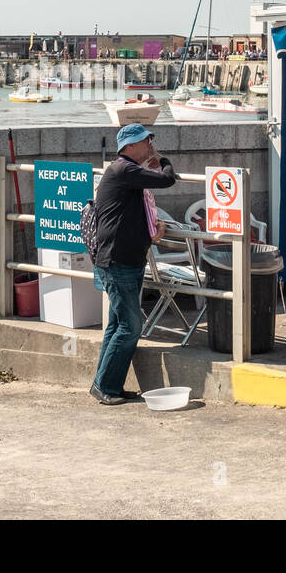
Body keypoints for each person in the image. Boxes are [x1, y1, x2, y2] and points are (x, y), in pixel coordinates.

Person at [88, 124, 177, 405]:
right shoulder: (123, 170)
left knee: (118, 324)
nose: (150, 143)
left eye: (150, 139)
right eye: (145, 140)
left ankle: (106, 385)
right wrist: (163, 160)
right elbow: (166, 180)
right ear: (129, 147)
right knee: (130, 325)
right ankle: (104, 386)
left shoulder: (125, 171)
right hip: (118, 261)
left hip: (124, 259)